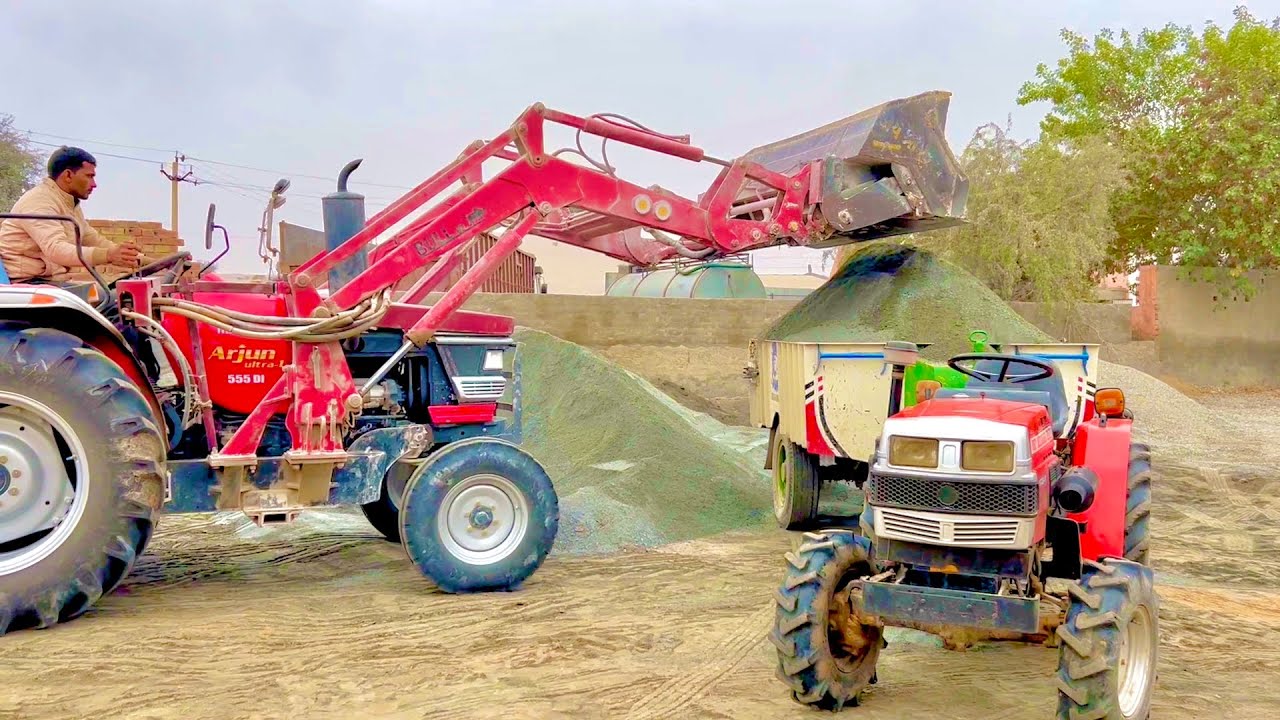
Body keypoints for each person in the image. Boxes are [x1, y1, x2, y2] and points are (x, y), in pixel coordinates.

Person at [0, 146, 141, 285]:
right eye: (89, 176)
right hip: (26, 283)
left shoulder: (68, 202)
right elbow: (56, 249)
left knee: (114, 293)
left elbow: (92, 239)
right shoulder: (39, 201)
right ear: (68, 175)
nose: (94, 184)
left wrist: (143, 259)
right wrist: (108, 255)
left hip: (50, 281)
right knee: (106, 296)